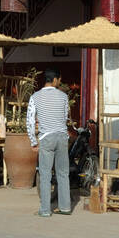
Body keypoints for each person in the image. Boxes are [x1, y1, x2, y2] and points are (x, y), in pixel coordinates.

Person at [27, 70, 72, 217]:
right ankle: (65, 207)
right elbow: (65, 117)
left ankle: (45, 210)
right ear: (54, 80)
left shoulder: (35, 97)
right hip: (62, 137)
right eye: (59, 80)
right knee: (63, 173)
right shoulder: (64, 97)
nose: (59, 82)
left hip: (46, 137)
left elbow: (30, 120)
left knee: (45, 174)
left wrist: (33, 141)